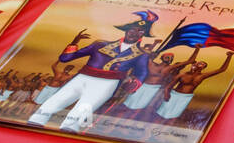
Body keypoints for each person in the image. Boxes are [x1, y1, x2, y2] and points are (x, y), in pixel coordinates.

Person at [28, 12, 156, 131]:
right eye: (132, 29)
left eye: (140, 31)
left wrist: (135, 82)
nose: (134, 33)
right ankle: (33, 126)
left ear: (142, 35)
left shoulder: (141, 55)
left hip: (107, 84)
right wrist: (75, 42)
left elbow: (141, 73)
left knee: (78, 116)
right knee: (52, 103)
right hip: (81, 78)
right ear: (126, 30)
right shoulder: (100, 45)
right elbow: (65, 58)